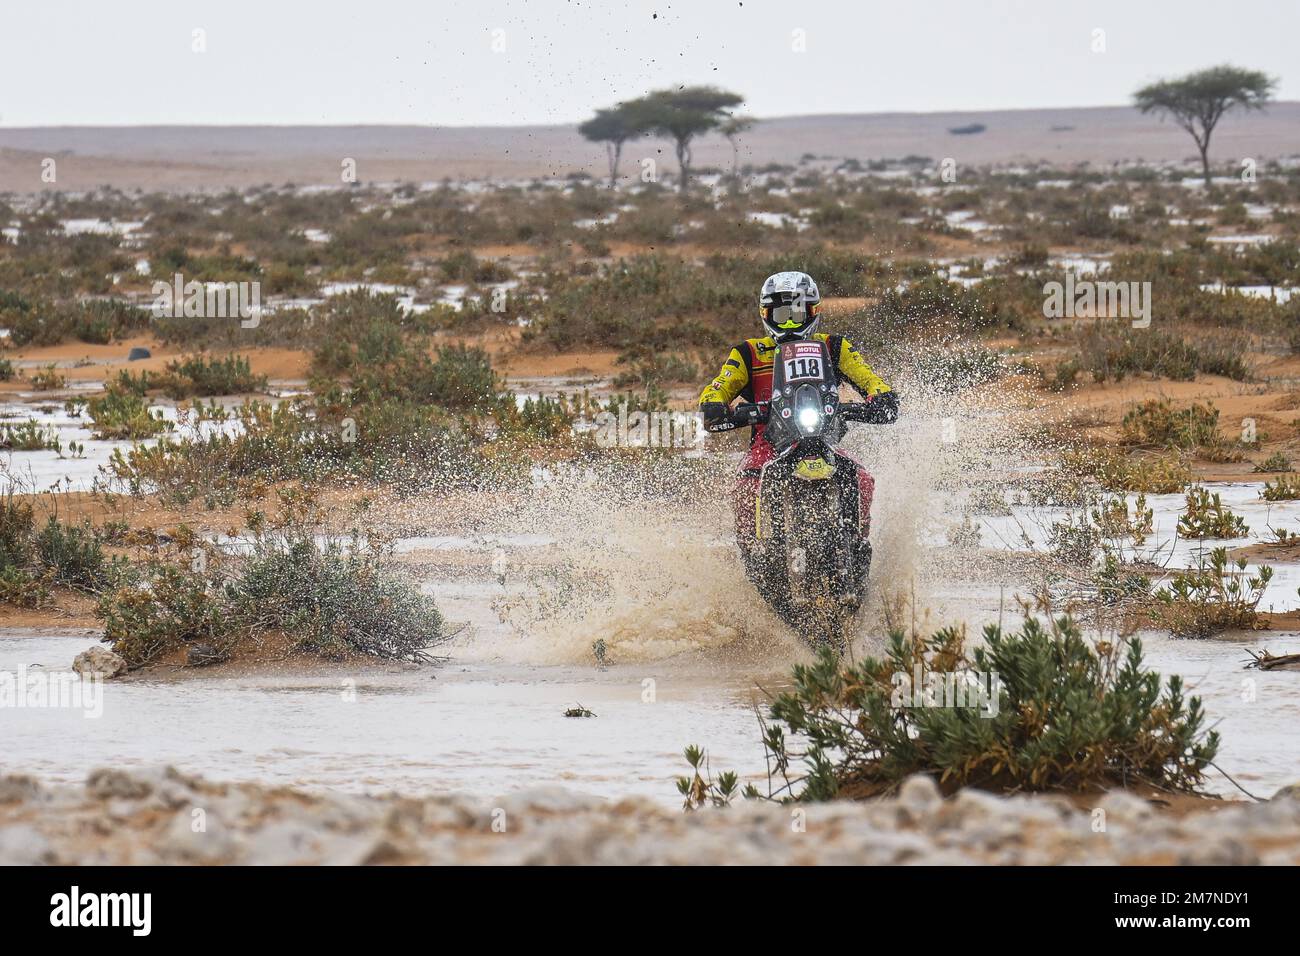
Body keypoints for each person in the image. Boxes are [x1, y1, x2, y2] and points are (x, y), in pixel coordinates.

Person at [698, 271, 899, 561]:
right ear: (767, 315)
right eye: (781, 315)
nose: (790, 323)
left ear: (813, 312)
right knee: (745, 489)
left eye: (797, 313)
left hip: (823, 438)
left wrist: (880, 396)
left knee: (862, 478)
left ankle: (857, 547)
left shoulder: (835, 347)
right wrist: (715, 404)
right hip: (768, 446)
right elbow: (718, 387)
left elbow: (868, 378)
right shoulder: (748, 353)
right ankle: (754, 556)